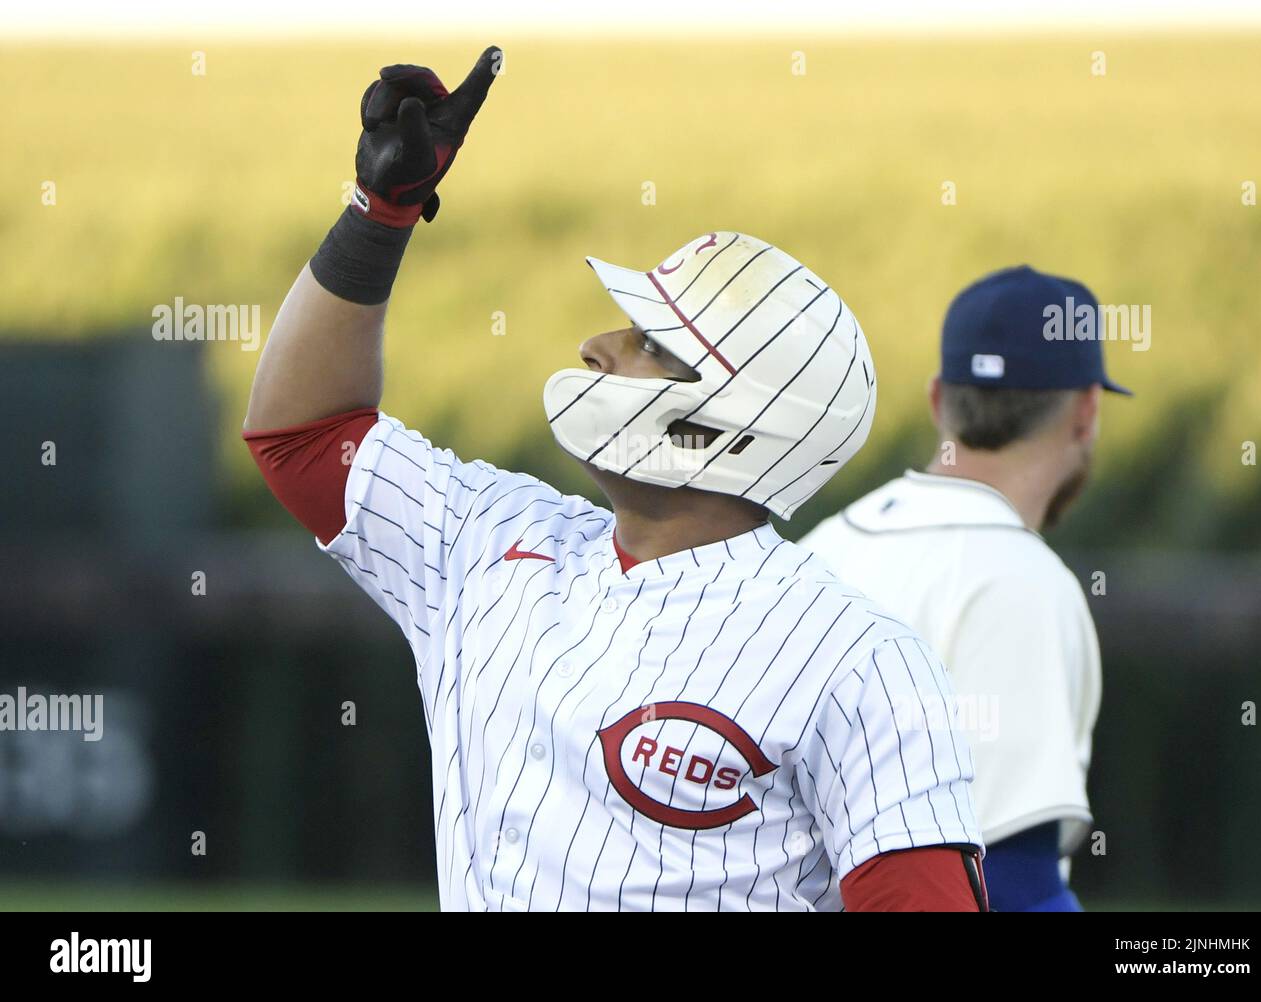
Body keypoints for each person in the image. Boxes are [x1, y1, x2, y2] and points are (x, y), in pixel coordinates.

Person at [243, 48, 987, 911]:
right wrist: (382, 213)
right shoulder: (489, 539)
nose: (599, 346)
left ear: (732, 418)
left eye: (650, 344)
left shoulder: (859, 660)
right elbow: (302, 434)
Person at [802, 265, 1131, 910]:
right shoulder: (1022, 584)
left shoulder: (820, 548)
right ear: (1087, 410)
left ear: (937, 399)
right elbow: (1010, 884)